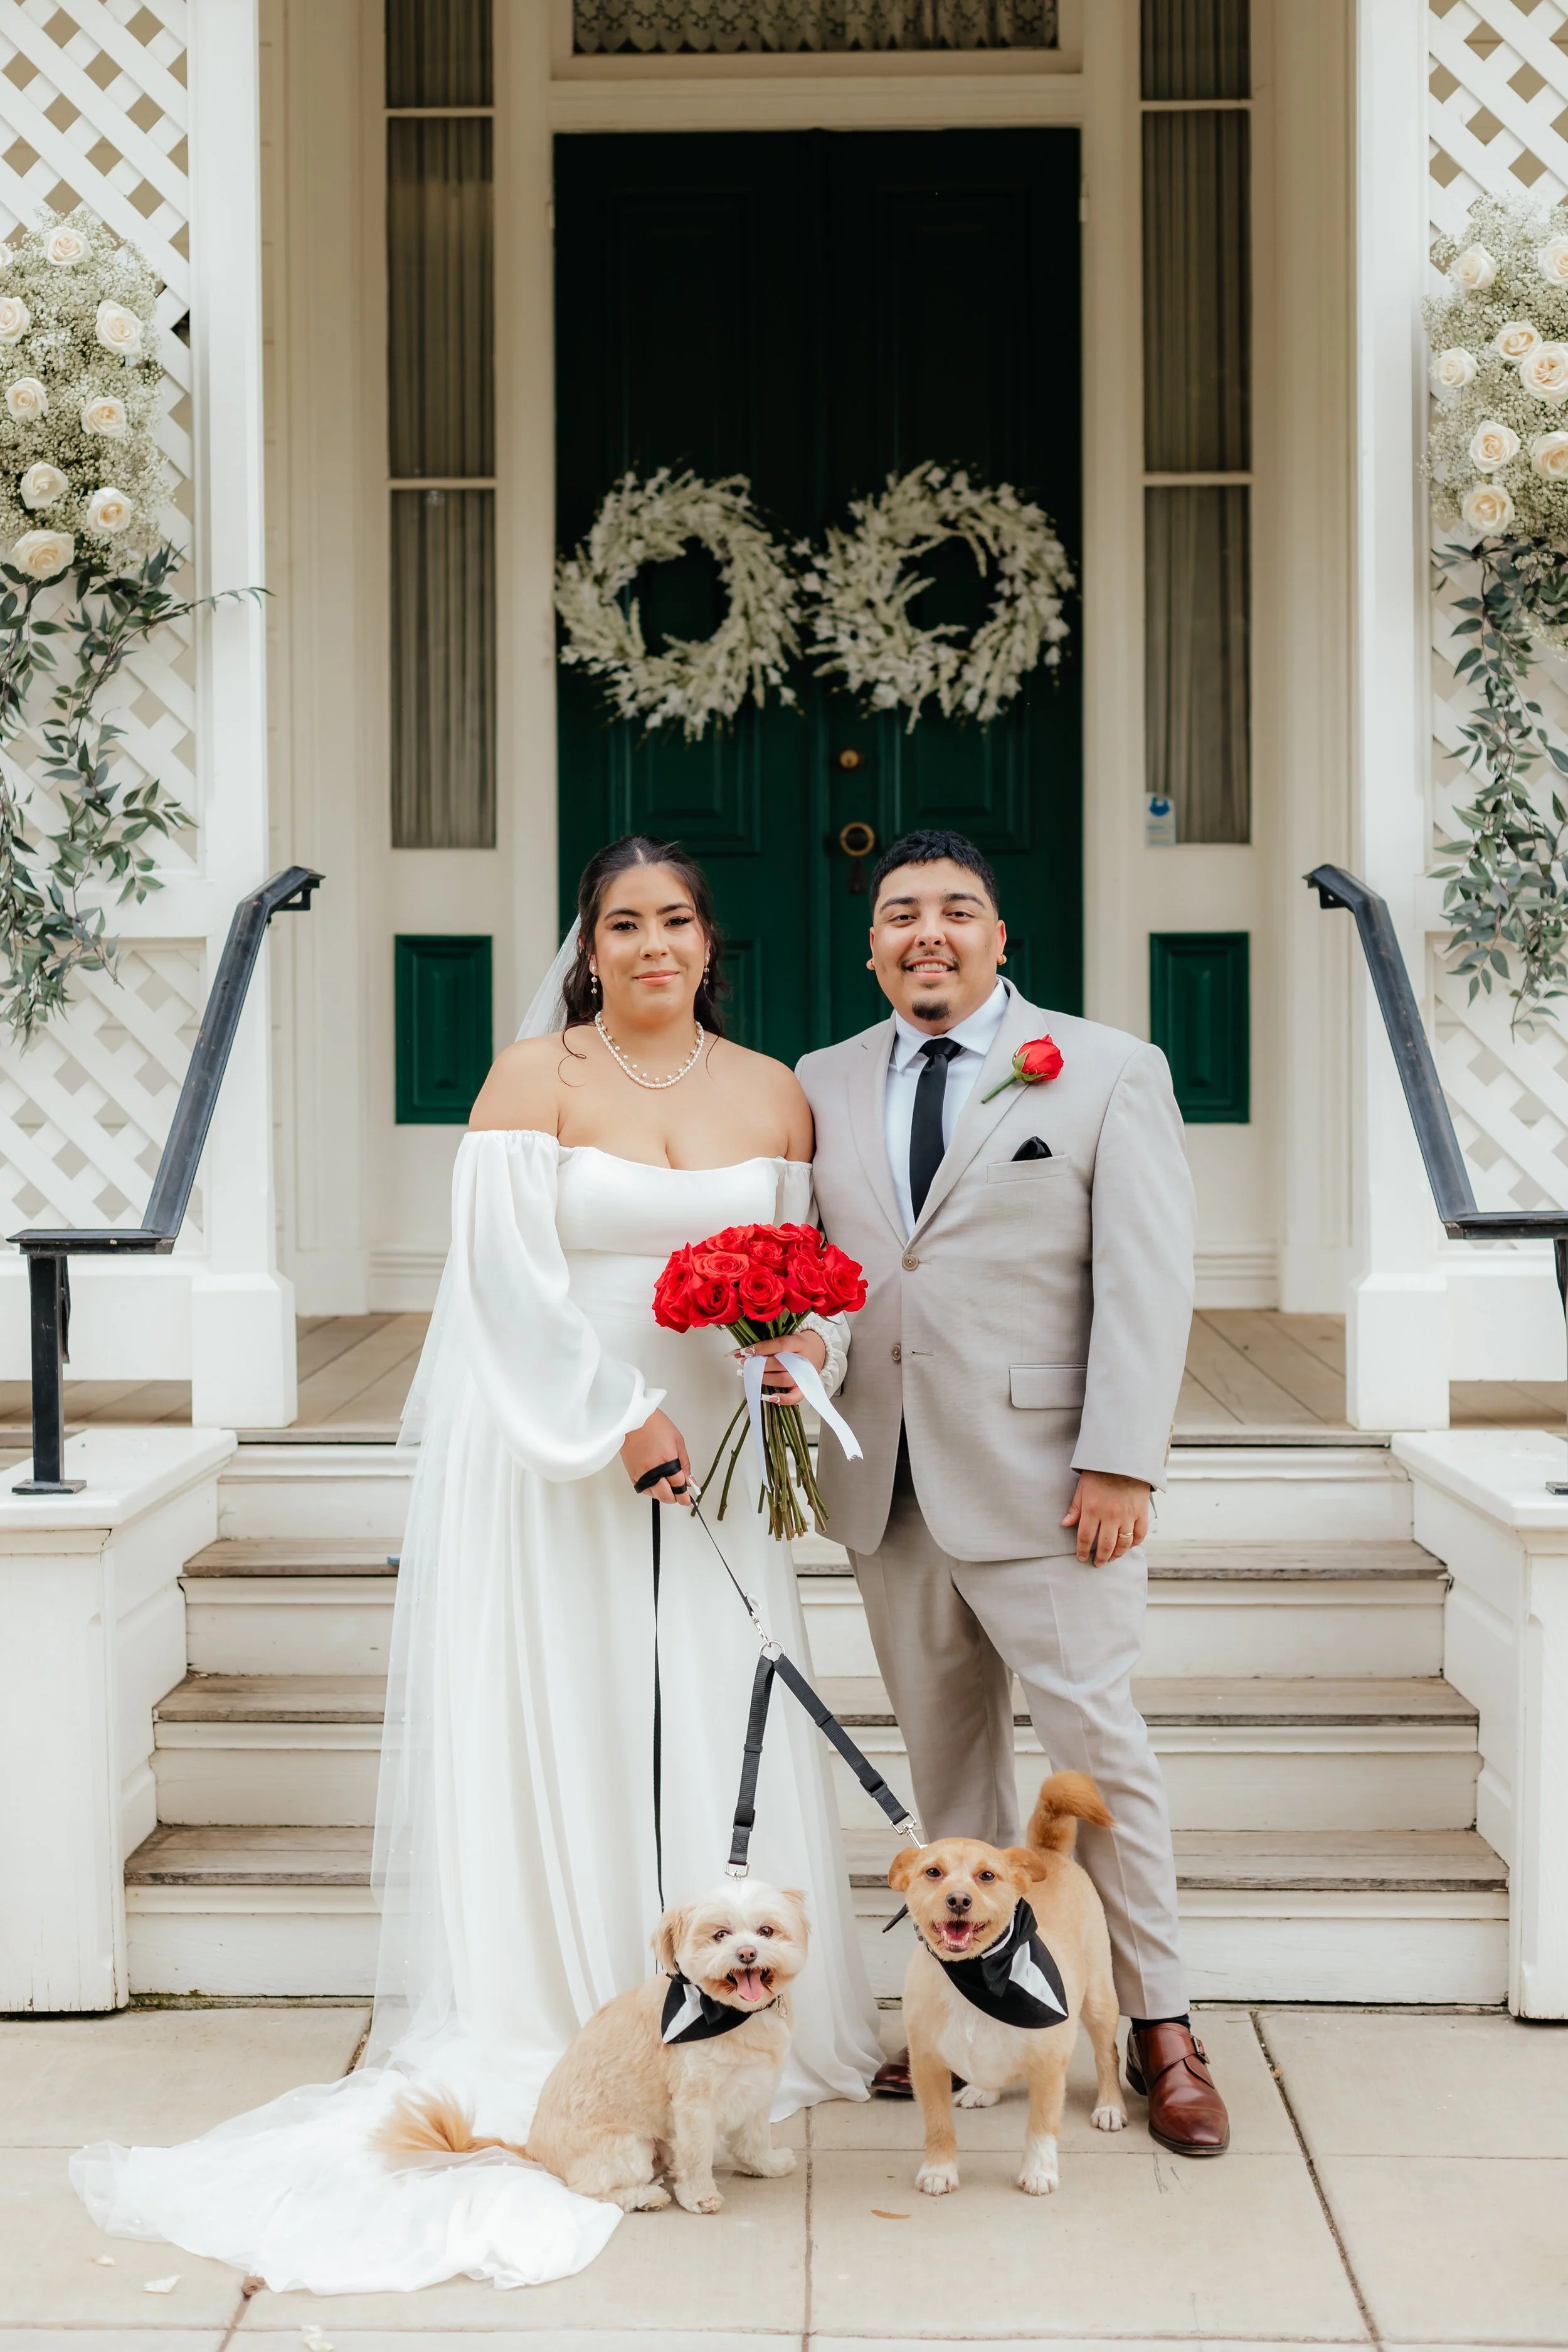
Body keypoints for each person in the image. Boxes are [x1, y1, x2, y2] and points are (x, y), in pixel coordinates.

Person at [72, 837, 881, 2292]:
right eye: (621, 923)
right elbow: (505, 1284)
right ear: (587, 947)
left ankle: (727, 2011)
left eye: (675, 920)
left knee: (718, 1704)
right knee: (580, 1696)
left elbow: (818, 1267)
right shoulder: (533, 1083)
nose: (650, 944)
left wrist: (803, 1353)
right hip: (564, 1439)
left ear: (709, 944)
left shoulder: (774, 1091)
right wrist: (614, 1416)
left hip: (722, 1435)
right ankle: (569, 2008)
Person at [797, 827, 1231, 2158]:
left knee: (1096, 1758)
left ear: (998, 936)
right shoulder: (820, 1080)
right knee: (950, 1767)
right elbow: (828, 1270)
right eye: (899, 912)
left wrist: (1121, 1456)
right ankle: (981, 2008)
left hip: (1053, 1481)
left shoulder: (1105, 1069)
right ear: (871, 944)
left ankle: (1160, 2024)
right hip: (888, 1480)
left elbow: (1147, 1278)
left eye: (955, 909)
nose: (925, 931)